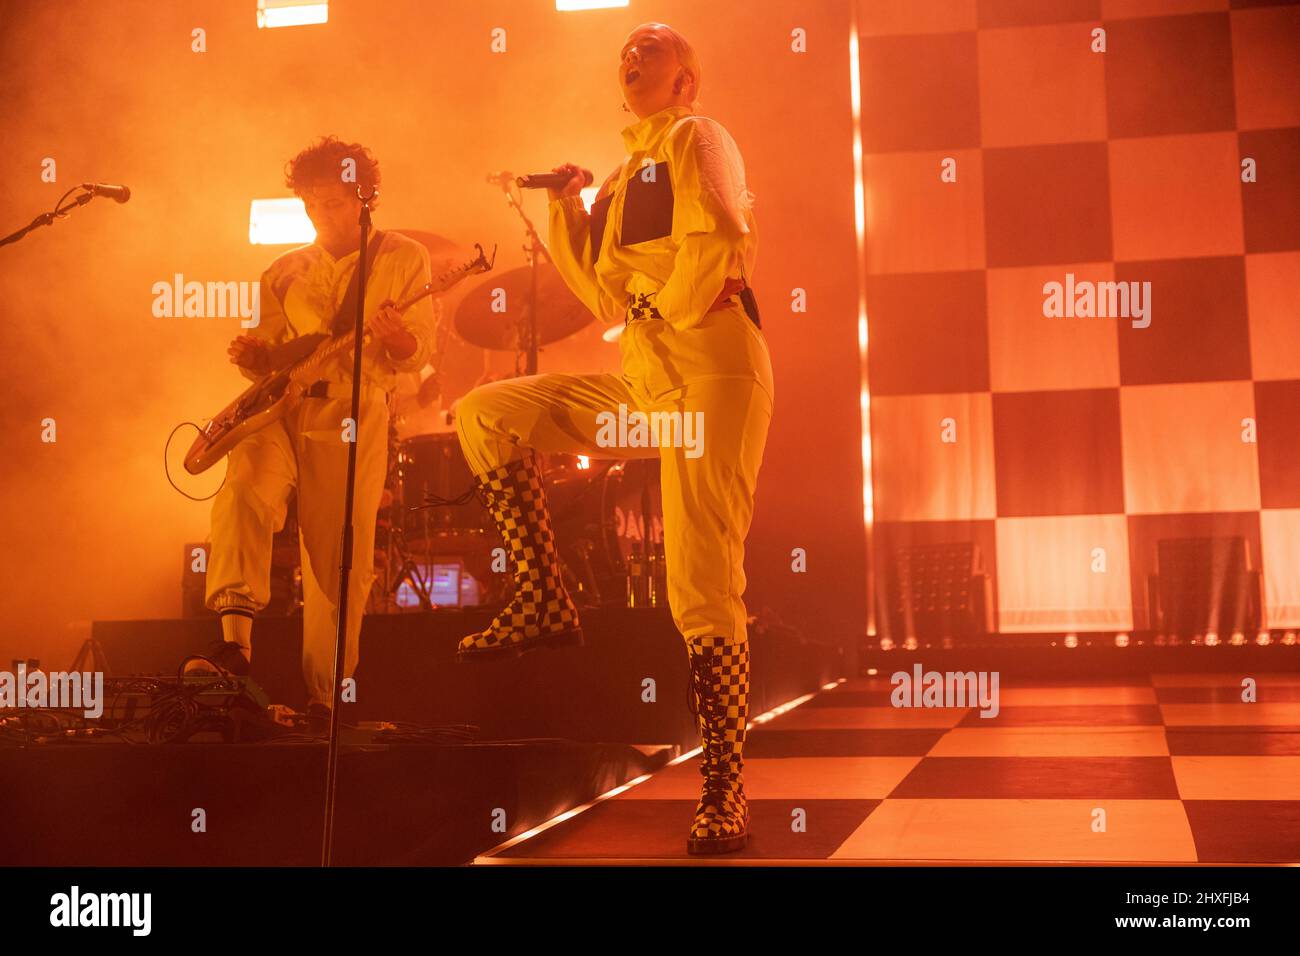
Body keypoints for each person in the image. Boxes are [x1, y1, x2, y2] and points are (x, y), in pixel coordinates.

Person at [453, 23, 773, 854]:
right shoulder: (630, 172)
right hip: (646, 382)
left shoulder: (700, 138)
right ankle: (543, 596)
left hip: (711, 367)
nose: (633, 60)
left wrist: (658, 310)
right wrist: (565, 207)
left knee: (698, 580)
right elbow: (599, 295)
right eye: (626, 54)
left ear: (686, 78)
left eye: (653, 50)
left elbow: (718, 239)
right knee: (485, 413)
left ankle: (725, 788)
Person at [199, 137, 436, 730]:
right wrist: (252, 355)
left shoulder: (404, 257)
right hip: (283, 409)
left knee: (337, 560)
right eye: (311, 204)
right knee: (244, 484)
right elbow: (271, 359)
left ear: (363, 196)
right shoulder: (281, 271)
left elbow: (417, 353)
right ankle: (234, 640)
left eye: (332, 202)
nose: (321, 215)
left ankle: (326, 697)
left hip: (354, 413)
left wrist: (395, 338)